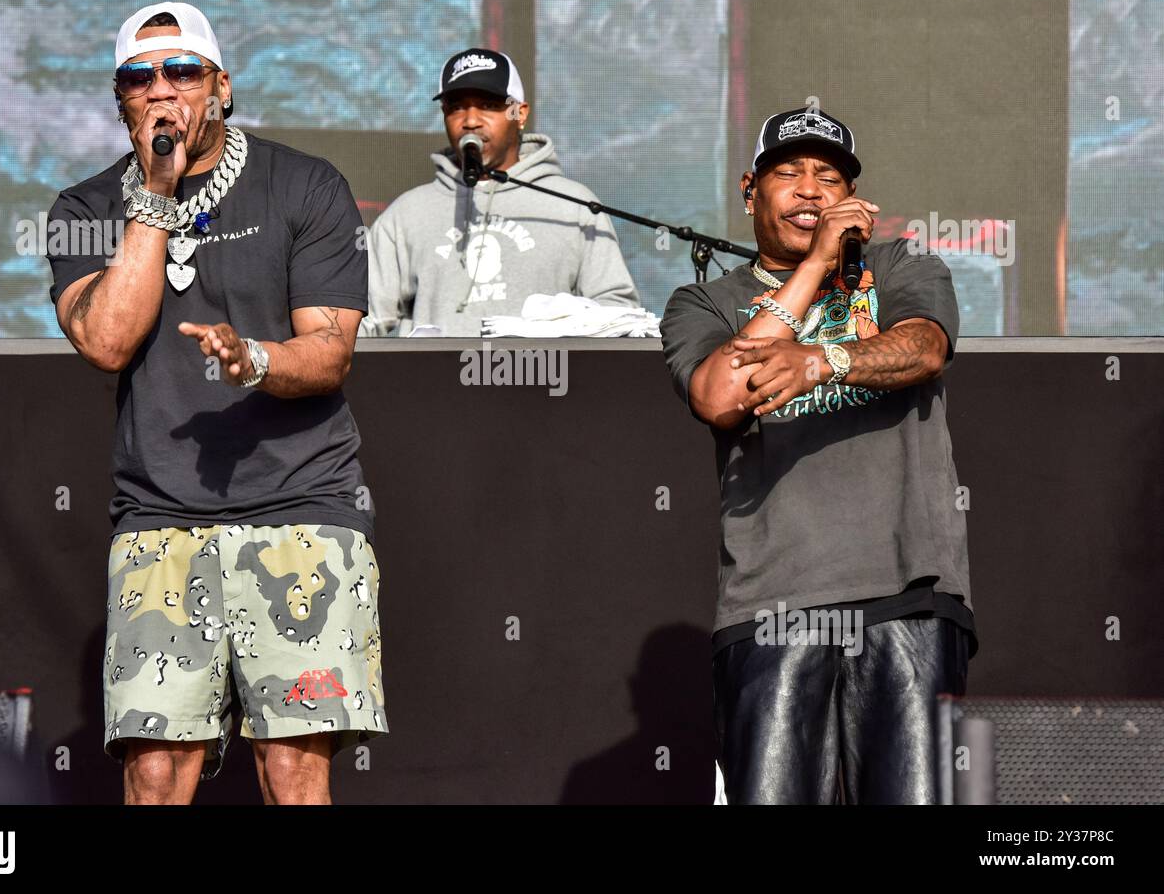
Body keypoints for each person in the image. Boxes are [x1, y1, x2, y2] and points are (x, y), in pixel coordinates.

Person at [44, 1, 385, 804]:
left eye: (182, 71)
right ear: (120, 100)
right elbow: (106, 341)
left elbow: (330, 351)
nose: (162, 90)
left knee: (293, 767)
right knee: (157, 772)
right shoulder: (85, 210)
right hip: (160, 516)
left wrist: (254, 359)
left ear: (222, 86)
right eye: (140, 77)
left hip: (301, 506)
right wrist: (155, 196)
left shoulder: (305, 185)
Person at [660, 107, 976, 804]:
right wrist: (808, 275)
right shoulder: (705, 303)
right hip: (772, 605)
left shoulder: (899, 266)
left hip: (908, 596)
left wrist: (822, 360)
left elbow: (924, 349)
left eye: (829, 177)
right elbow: (720, 396)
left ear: (854, 199)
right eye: (790, 173)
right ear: (750, 191)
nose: (810, 190)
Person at [360, 47, 640, 336]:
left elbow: (618, 313)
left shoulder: (575, 205)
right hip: (434, 379)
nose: (470, 120)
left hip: (546, 379)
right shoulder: (408, 213)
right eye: (456, 107)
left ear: (520, 113)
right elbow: (361, 319)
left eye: (487, 105)